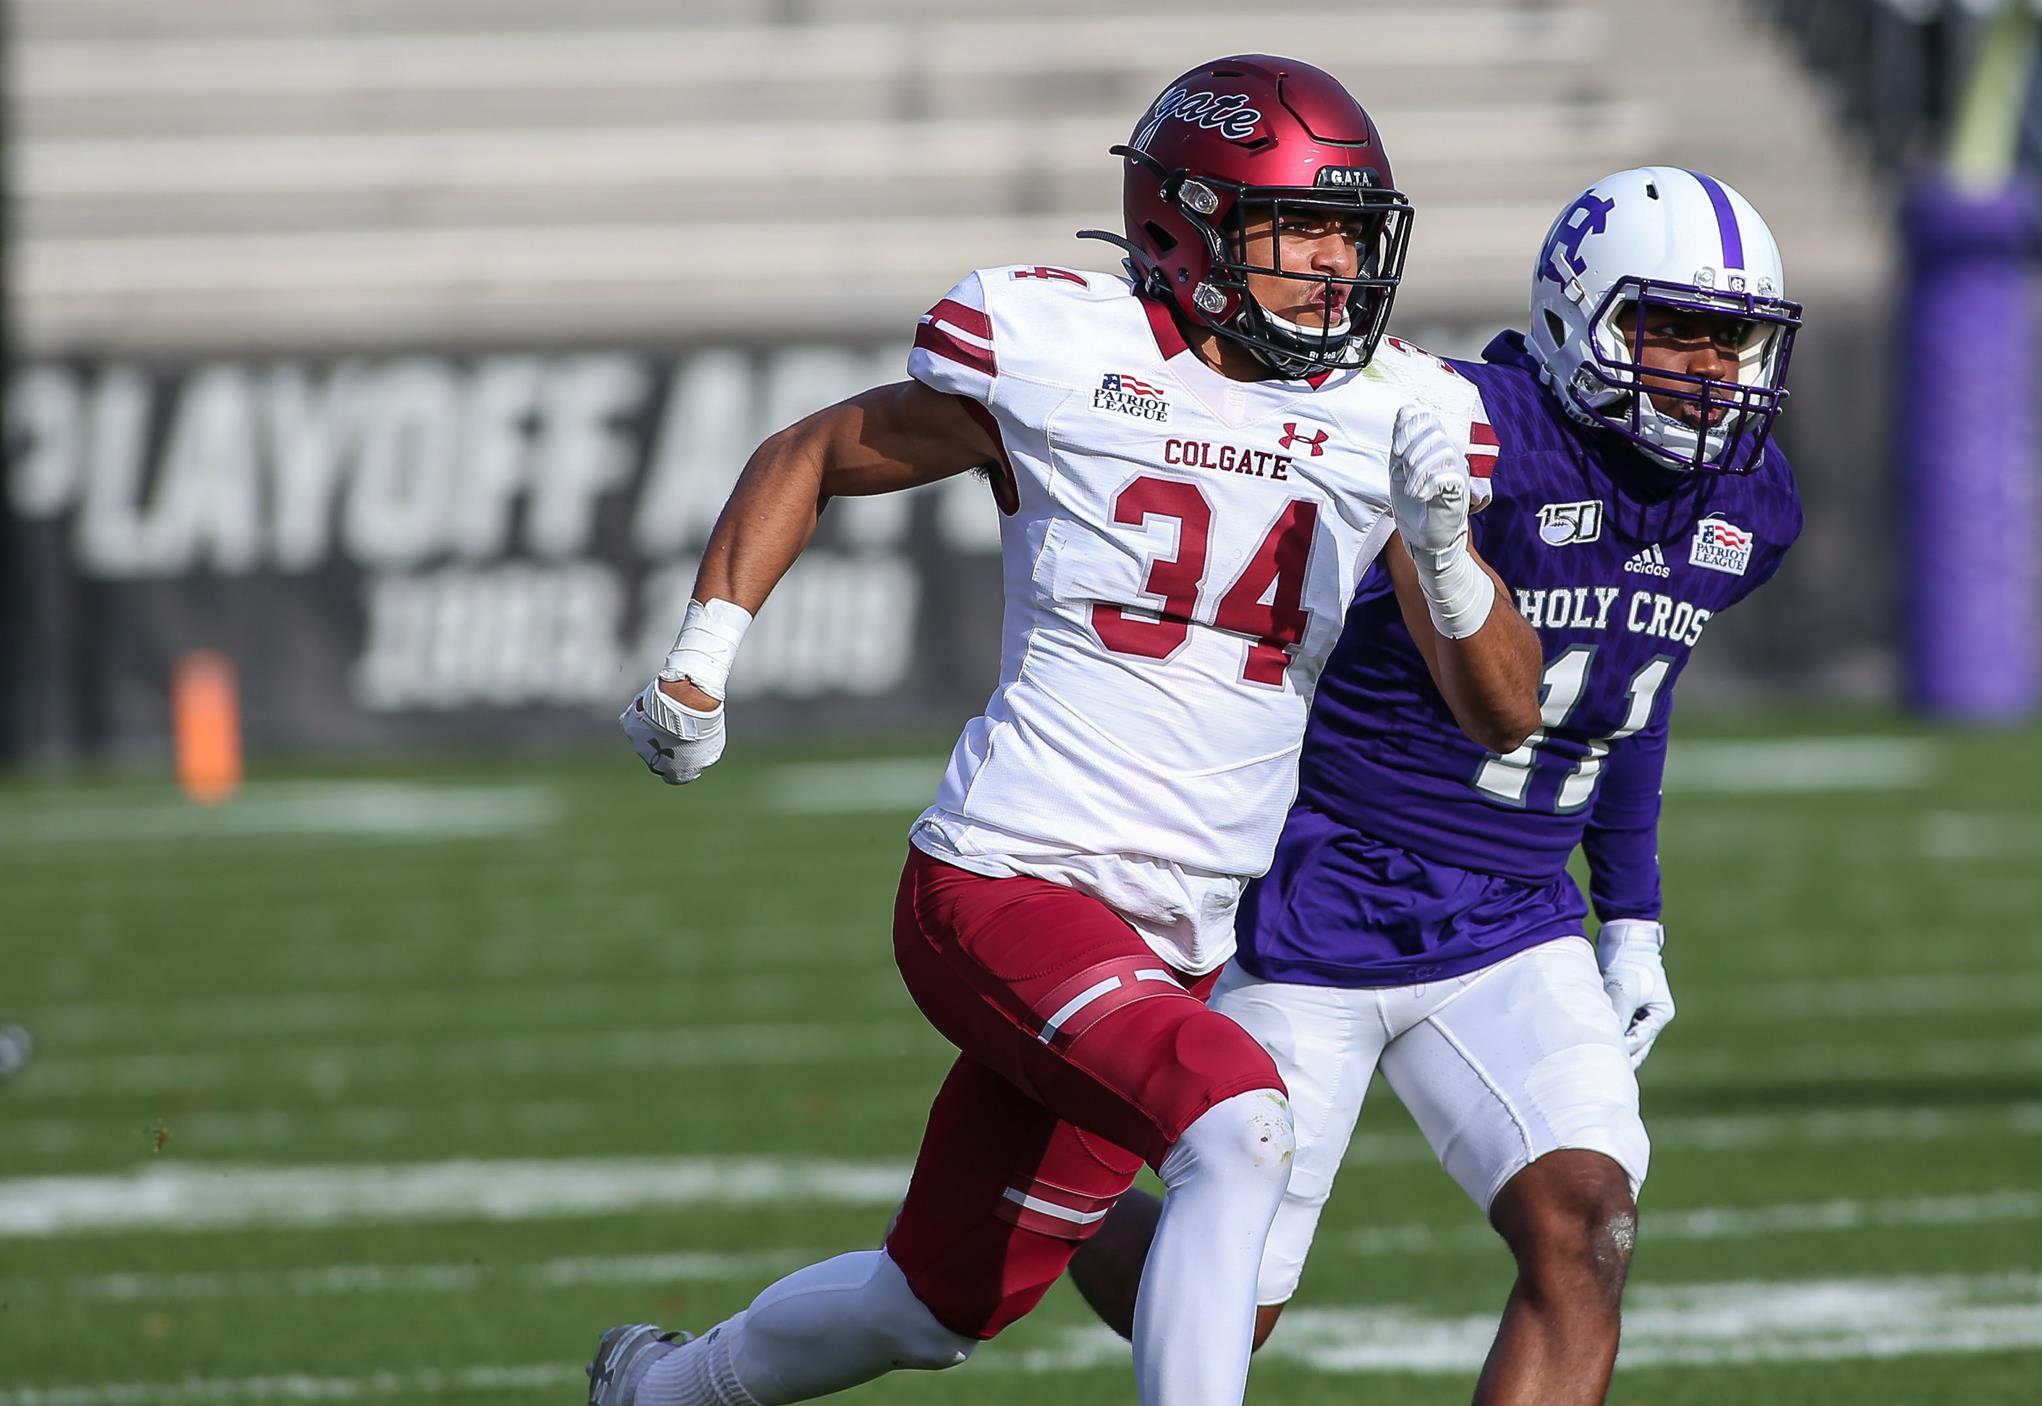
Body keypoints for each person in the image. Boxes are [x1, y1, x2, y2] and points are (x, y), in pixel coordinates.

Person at [586, 54, 1542, 1406]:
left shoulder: (1399, 408)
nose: (1337, 266)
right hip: (1010, 878)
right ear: (1187, 227)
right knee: (1236, 1120)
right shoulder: (1060, 345)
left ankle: (659, 1391)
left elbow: (1507, 712)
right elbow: (818, 449)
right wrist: (701, 659)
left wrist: (1446, 556)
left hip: (1179, 928)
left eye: (1352, 230)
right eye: (1302, 228)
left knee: (931, 1304)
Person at [1066, 167, 1804, 1406]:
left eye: (1729, 340)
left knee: (1587, 1228)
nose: (1705, 371)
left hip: (1513, 914)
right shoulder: (1455, 421)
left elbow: (1633, 687)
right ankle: (1049, 1215)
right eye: (1668, 329)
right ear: (1578, 317)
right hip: (1314, 899)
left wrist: (1630, 915)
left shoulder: (1749, 496)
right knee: (1227, 1309)